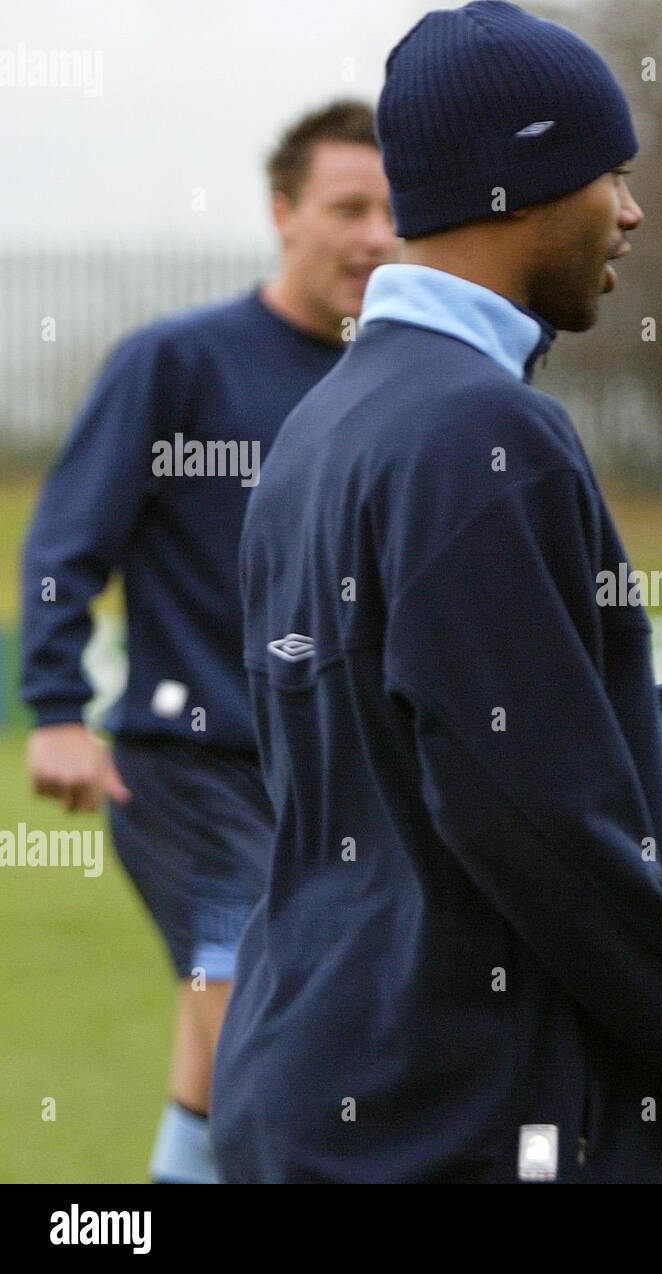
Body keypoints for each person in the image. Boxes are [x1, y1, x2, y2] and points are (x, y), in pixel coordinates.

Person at [210, 1, 662, 1186]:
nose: (633, 214)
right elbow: (540, 819)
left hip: (308, 1071)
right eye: (611, 174)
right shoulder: (483, 433)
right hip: (445, 1107)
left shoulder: (321, 425)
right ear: (524, 189)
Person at [20, 100, 395, 1183]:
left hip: (335, 783)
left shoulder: (396, 381)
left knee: (223, 1036)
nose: (374, 233)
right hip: (188, 772)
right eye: (347, 206)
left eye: (392, 211)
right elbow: (64, 541)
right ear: (283, 212)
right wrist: (53, 711)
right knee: (266, 1039)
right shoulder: (176, 361)